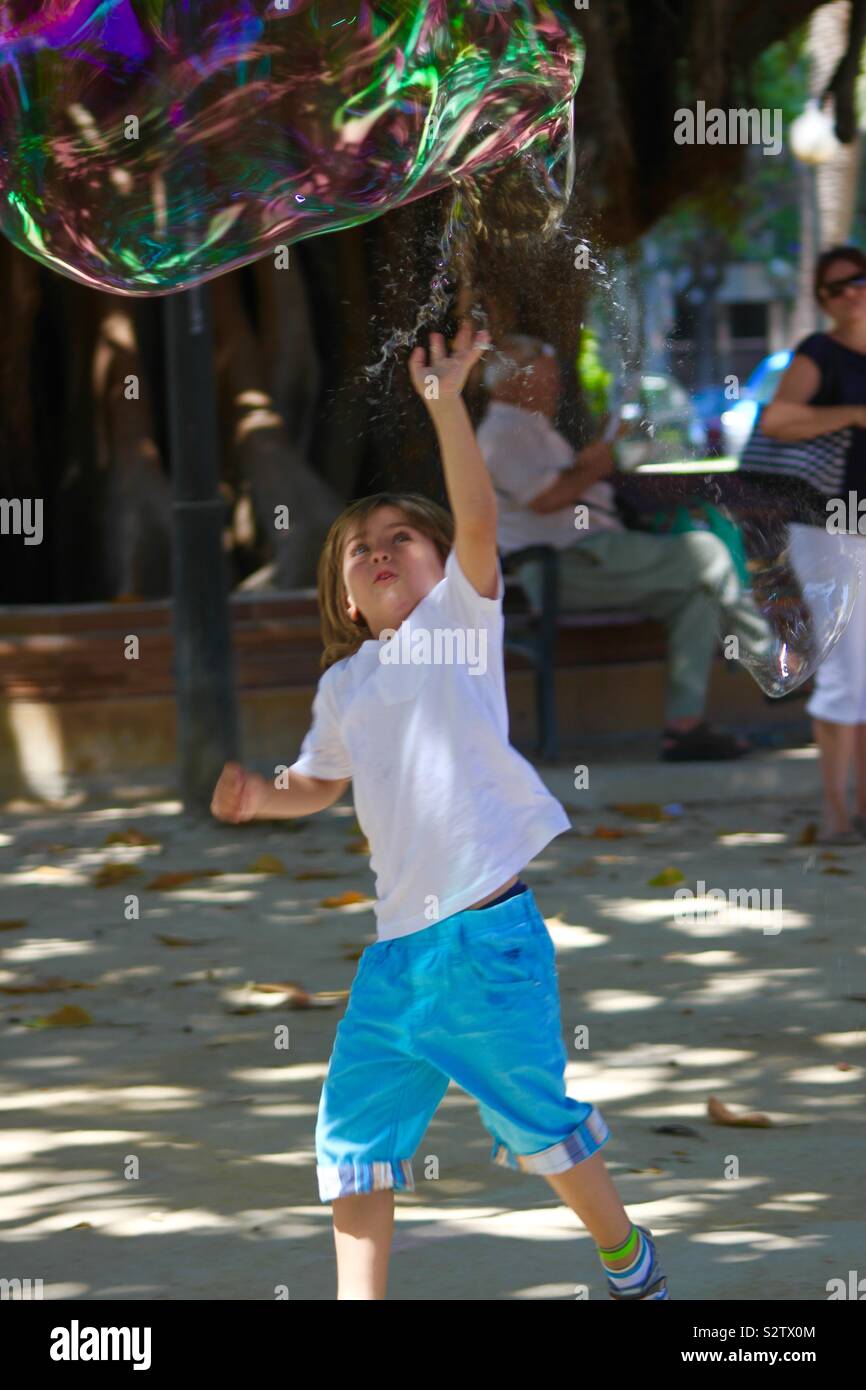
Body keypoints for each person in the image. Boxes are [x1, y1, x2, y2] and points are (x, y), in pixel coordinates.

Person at [211, 322, 670, 1301]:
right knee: (352, 1145)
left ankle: (623, 1255)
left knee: (540, 1132)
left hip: (482, 943)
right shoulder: (344, 685)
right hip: (394, 961)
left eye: (399, 540)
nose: (379, 554)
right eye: (358, 552)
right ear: (341, 594)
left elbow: (475, 519)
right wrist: (263, 794)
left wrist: (443, 401)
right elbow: (320, 781)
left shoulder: (456, 625)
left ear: (436, 563)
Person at [476, 333, 773, 760]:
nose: (554, 387)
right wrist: (600, 458)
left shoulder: (529, 429)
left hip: (595, 558)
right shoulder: (503, 433)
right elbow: (547, 499)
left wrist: (601, 450)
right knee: (705, 552)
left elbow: (564, 483)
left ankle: (683, 729)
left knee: (696, 599)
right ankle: (761, 654)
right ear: (511, 382)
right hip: (568, 564)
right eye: (543, 378)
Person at [762, 245, 866, 845]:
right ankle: (835, 815)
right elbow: (776, 420)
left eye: (859, 281)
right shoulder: (818, 354)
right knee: (845, 677)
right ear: (823, 300)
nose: (851, 293)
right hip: (828, 531)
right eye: (836, 287)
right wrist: (852, 412)